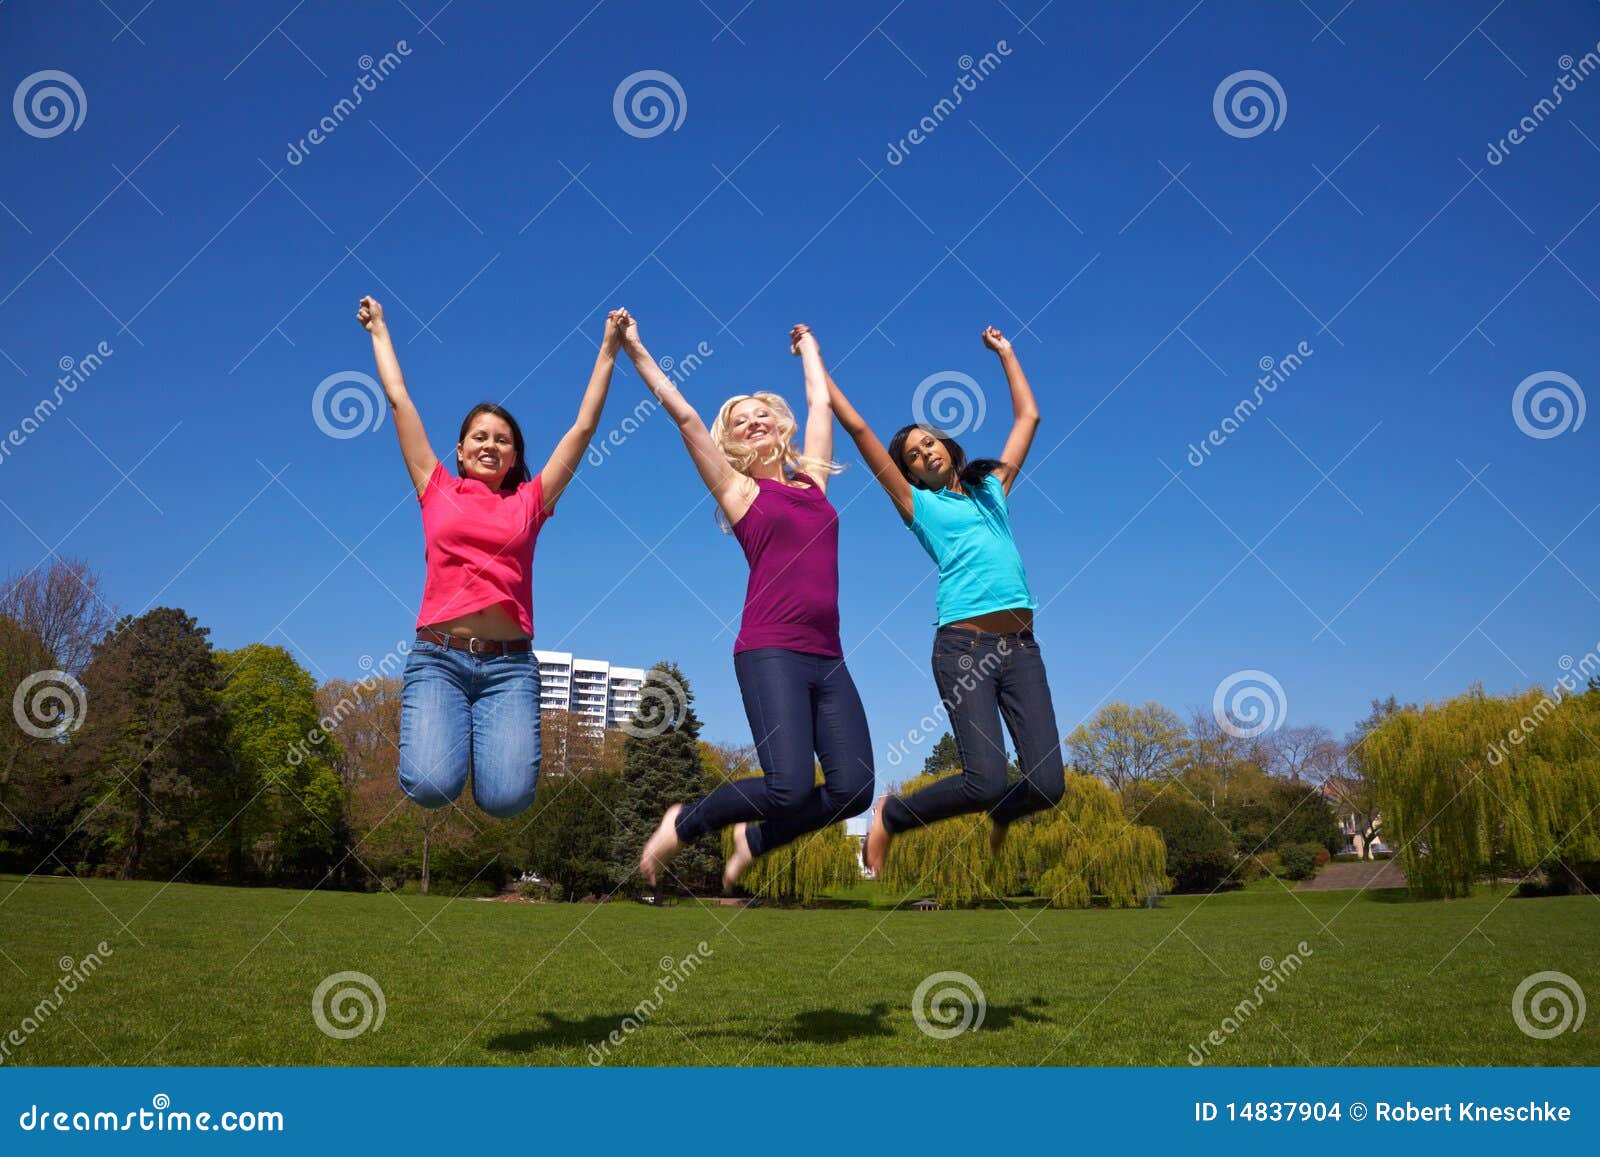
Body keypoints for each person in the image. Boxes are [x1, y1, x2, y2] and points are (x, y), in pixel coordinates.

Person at [618, 315, 873, 889]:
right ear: (730, 440)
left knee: (854, 789)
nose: (753, 422)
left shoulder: (813, 484)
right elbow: (683, 414)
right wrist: (635, 345)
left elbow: (820, 404)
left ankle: (753, 839)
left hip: (829, 656)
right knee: (787, 785)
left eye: (762, 415)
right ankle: (684, 824)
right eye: (740, 420)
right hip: (770, 649)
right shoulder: (740, 492)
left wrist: (811, 346)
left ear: (779, 428)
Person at [357, 294, 625, 818]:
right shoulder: (435, 488)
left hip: (510, 669)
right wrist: (379, 331)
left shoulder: (530, 501)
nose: (490, 445)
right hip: (439, 659)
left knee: (506, 800)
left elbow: (582, 429)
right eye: (479, 437)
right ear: (459, 450)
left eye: (503, 440)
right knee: (431, 784)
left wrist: (608, 348)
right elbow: (400, 402)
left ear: (515, 457)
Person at [825, 326, 1065, 871]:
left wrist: (1006, 353)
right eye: (912, 454)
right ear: (908, 472)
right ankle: (892, 816)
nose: (923, 452)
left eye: (928, 441)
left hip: (1024, 650)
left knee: (1048, 785)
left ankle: (1006, 810)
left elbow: (1028, 418)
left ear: (946, 445)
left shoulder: (990, 492)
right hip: (964, 649)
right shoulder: (920, 507)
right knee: (985, 778)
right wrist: (819, 370)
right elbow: (859, 429)